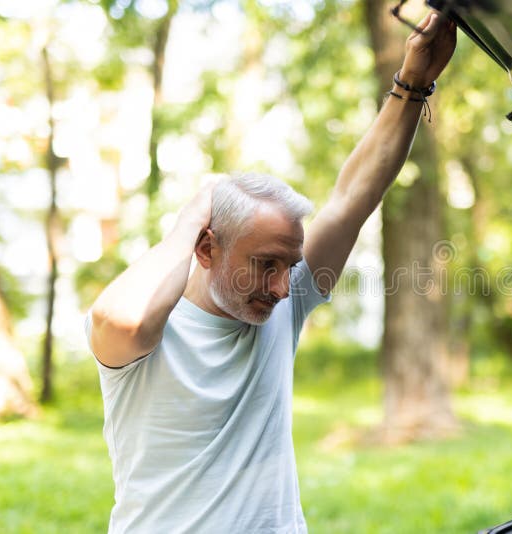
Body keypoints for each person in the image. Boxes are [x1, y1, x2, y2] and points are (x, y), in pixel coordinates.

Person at [85, 11, 457, 534]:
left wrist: (414, 80)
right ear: (207, 248)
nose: (284, 289)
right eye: (265, 266)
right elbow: (121, 323)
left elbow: (354, 196)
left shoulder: (282, 303)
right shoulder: (146, 324)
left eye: (291, 266)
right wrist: (195, 210)